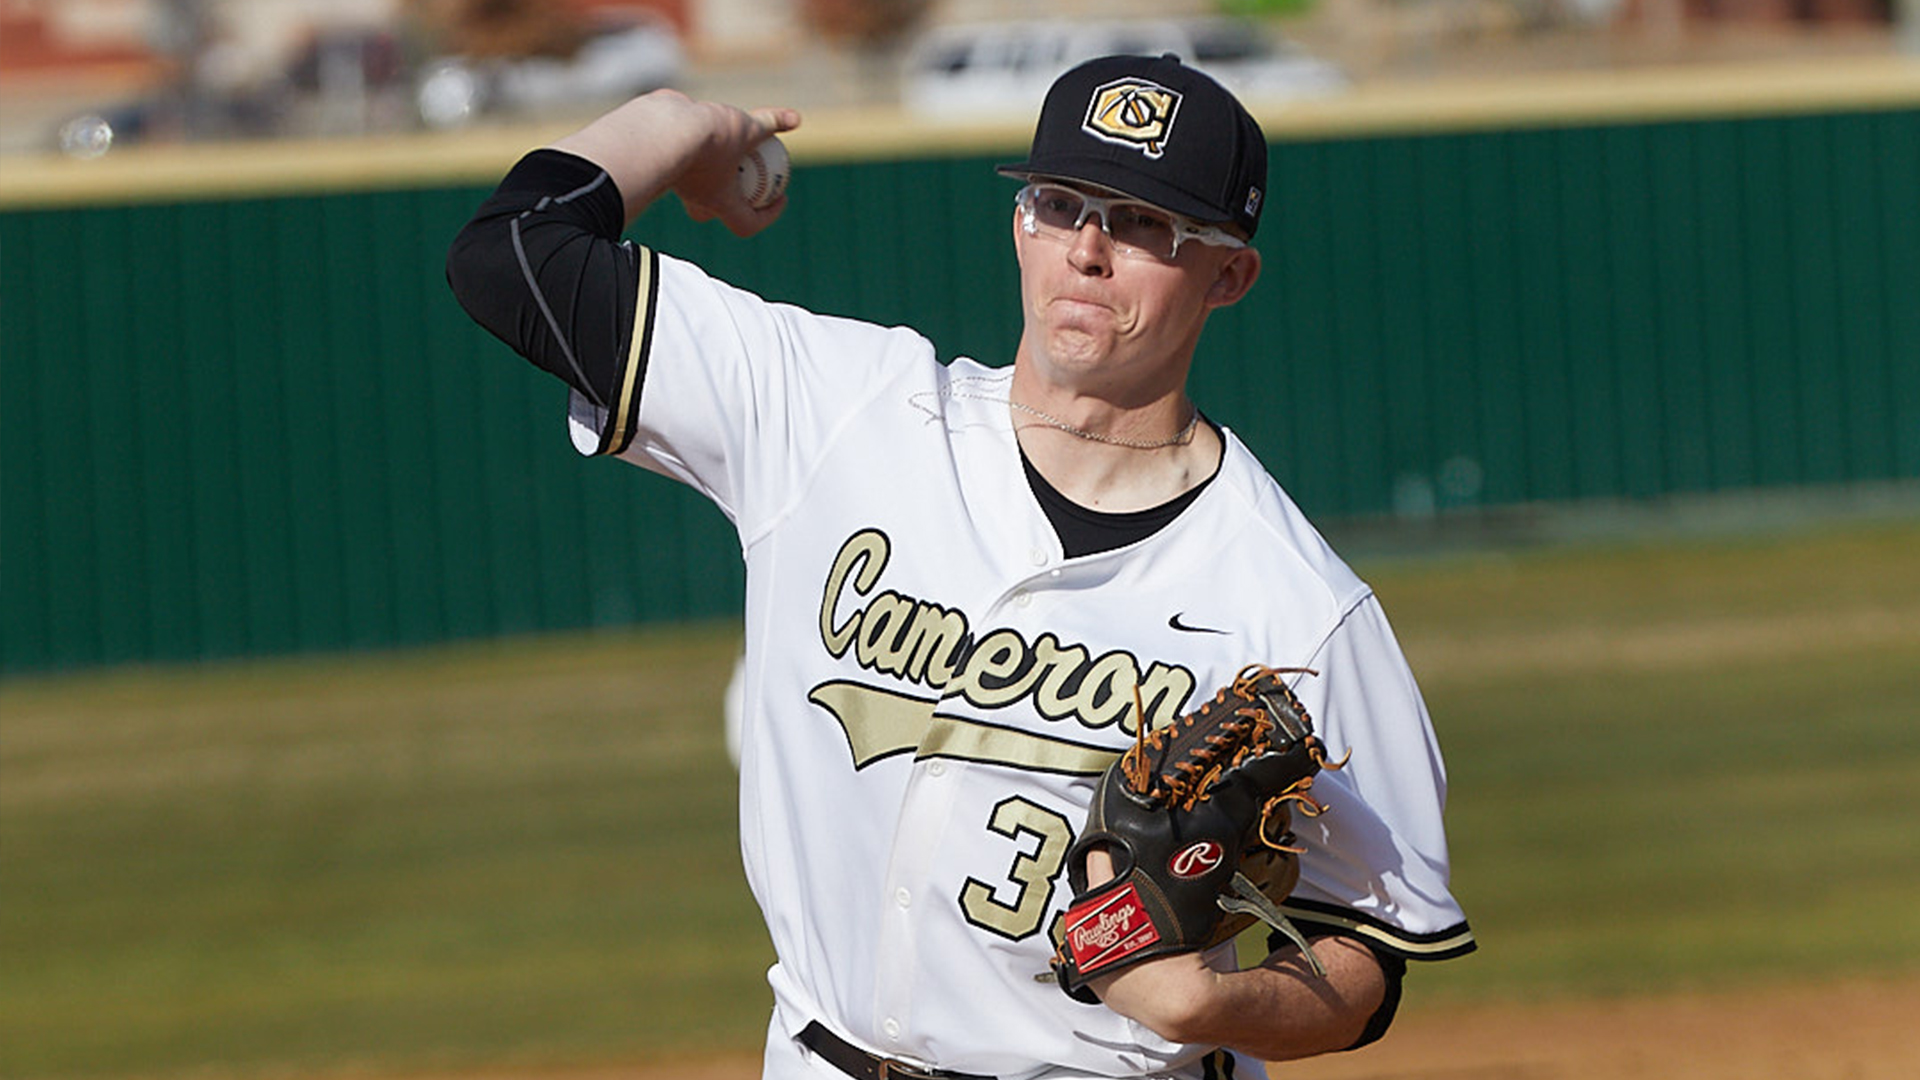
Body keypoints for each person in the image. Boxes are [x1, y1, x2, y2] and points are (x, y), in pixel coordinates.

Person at [447, 53, 1473, 1080]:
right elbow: (511, 256)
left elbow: (1374, 951)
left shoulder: (1299, 608)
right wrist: (678, 127)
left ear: (1230, 274)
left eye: (1142, 225)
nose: (1087, 251)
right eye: (1060, 204)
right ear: (1018, 221)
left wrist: (1212, 1002)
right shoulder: (837, 413)